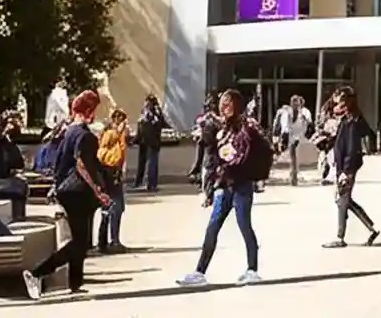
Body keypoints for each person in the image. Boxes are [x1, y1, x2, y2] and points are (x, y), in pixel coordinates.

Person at [23, 90, 112, 300]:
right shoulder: (86, 136)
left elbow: (62, 164)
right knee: (80, 242)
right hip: (78, 192)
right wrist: (98, 190)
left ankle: (75, 282)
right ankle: (37, 273)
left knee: (80, 239)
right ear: (89, 111)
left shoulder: (67, 133)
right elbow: (83, 165)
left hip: (67, 190)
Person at [176, 89, 266, 287]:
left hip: (241, 185)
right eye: (222, 103)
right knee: (212, 226)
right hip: (224, 186)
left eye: (228, 103)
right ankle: (200, 271)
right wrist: (209, 185)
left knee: (244, 226)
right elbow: (213, 157)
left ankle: (252, 269)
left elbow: (246, 155)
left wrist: (232, 166)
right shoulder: (221, 128)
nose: (223, 107)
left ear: (237, 105)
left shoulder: (246, 127)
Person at [323, 86, 381, 248]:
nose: (336, 106)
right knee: (344, 200)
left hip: (347, 167)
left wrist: (346, 171)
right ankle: (371, 228)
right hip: (343, 166)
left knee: (342, 200)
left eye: (340, 102)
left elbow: (351, 148)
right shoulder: (347, 119)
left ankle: (340, 237)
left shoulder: (352, 121)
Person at [97, 108, 130, 254]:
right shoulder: (110, 134)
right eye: (122, 120)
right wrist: (117, 131)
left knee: (113, 207)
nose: (125, 124)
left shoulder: (118, 136)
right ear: (116, 120)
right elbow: (105, 145)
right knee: (115, 207)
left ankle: (106, 241)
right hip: (109, 172)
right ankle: (112, 241)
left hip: (113, 172)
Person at [0, 110, 28, 222]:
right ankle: (16, 215)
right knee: (19, 185)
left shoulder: (11, 145)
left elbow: (19, 164)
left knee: (21, 184)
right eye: (11, 122)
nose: (14, 125)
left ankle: (18, 215)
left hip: (5, 178)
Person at [273, 95, 312, 186]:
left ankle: (293, 176)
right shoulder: (286, 112)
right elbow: (281, 124)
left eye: (297, 101)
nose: (295, 103)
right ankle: (293, 176)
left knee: (293, 156)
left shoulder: (303, 113)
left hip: (298, 136)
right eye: (294, 101)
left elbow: (308, 123)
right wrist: (279, 135)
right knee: (291, 155)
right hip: (288, 135)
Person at [133, 94, 166, 192]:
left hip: (152, 142)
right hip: (144, 141)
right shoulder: (145, 112)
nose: (146, 104)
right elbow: (140, 126)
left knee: (151, 163)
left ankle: (151, 184)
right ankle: (141, 182)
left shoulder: (155, 113)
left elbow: (161, 123)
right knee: (144, 163)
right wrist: (136, 138)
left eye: (148, 102)